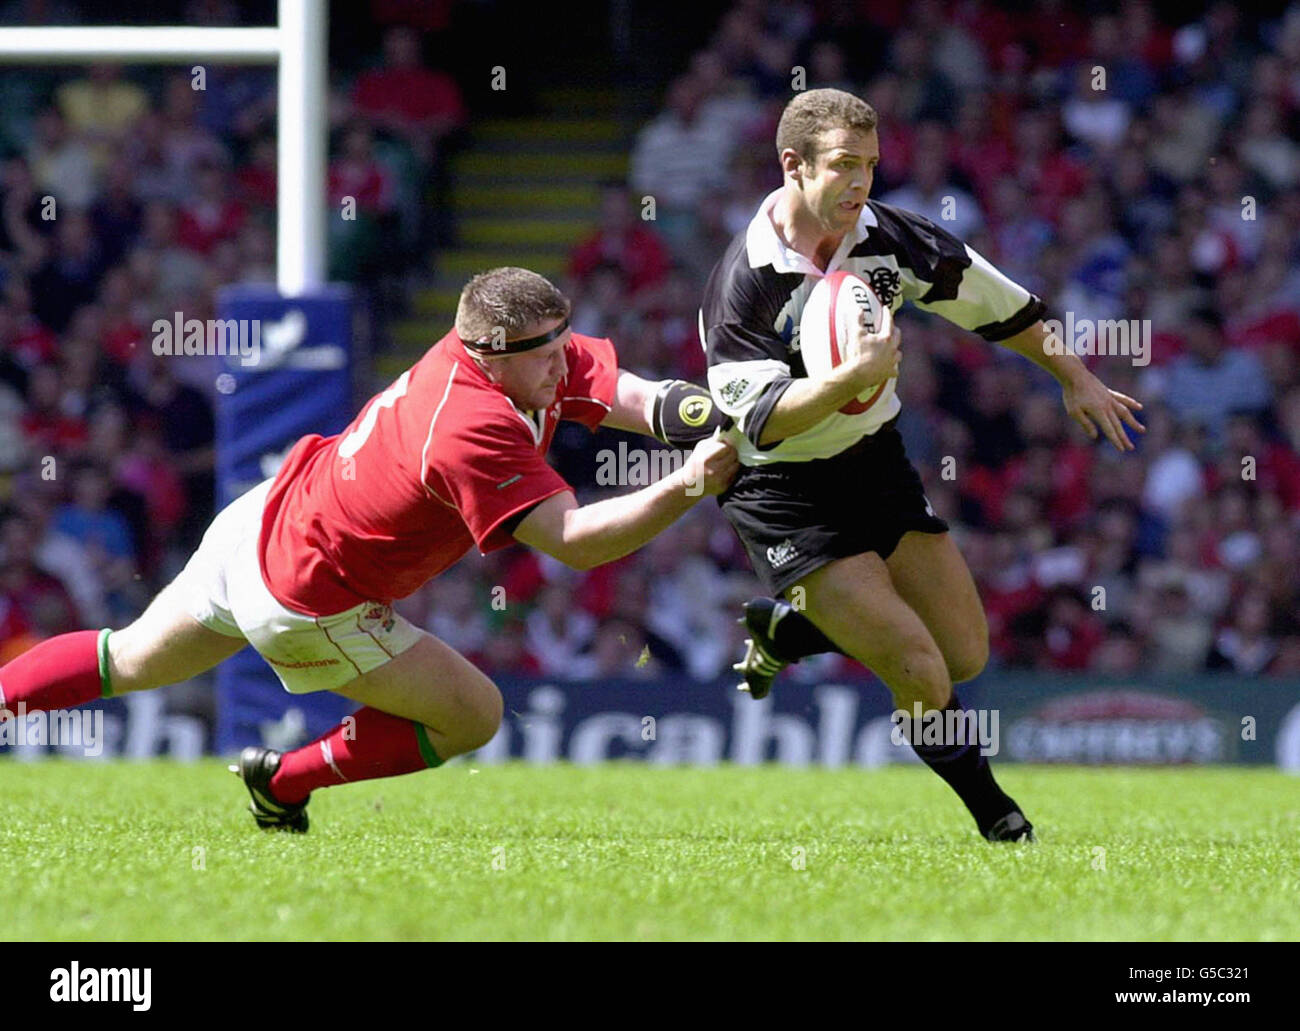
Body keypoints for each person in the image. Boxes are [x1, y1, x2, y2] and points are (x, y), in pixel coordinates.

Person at [0, 267, 735, 832]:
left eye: (562, 337)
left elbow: (629, 396)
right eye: (543, 351)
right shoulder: (469, 427)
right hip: (309, 597)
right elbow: (574, 543)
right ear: (488, 354)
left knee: (127, 659)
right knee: (474, 715)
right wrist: (687, 485)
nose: (561, 361)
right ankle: (283, 780)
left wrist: (708, 410)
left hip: (265, 520)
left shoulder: (509, 352)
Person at [701, 89, 1145, 842]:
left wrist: (1077, 376)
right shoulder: (746, 283)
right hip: (780, 488)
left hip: (876, 462)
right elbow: (763, 422)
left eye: (870, 166)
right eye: (843, 165)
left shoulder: (889, 236)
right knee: (916, 663)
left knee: (963, 653)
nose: (860, 184)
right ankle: (1001, 820)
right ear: (792, 165)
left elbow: (1002, 307)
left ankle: (789, 631)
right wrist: (848, 378)